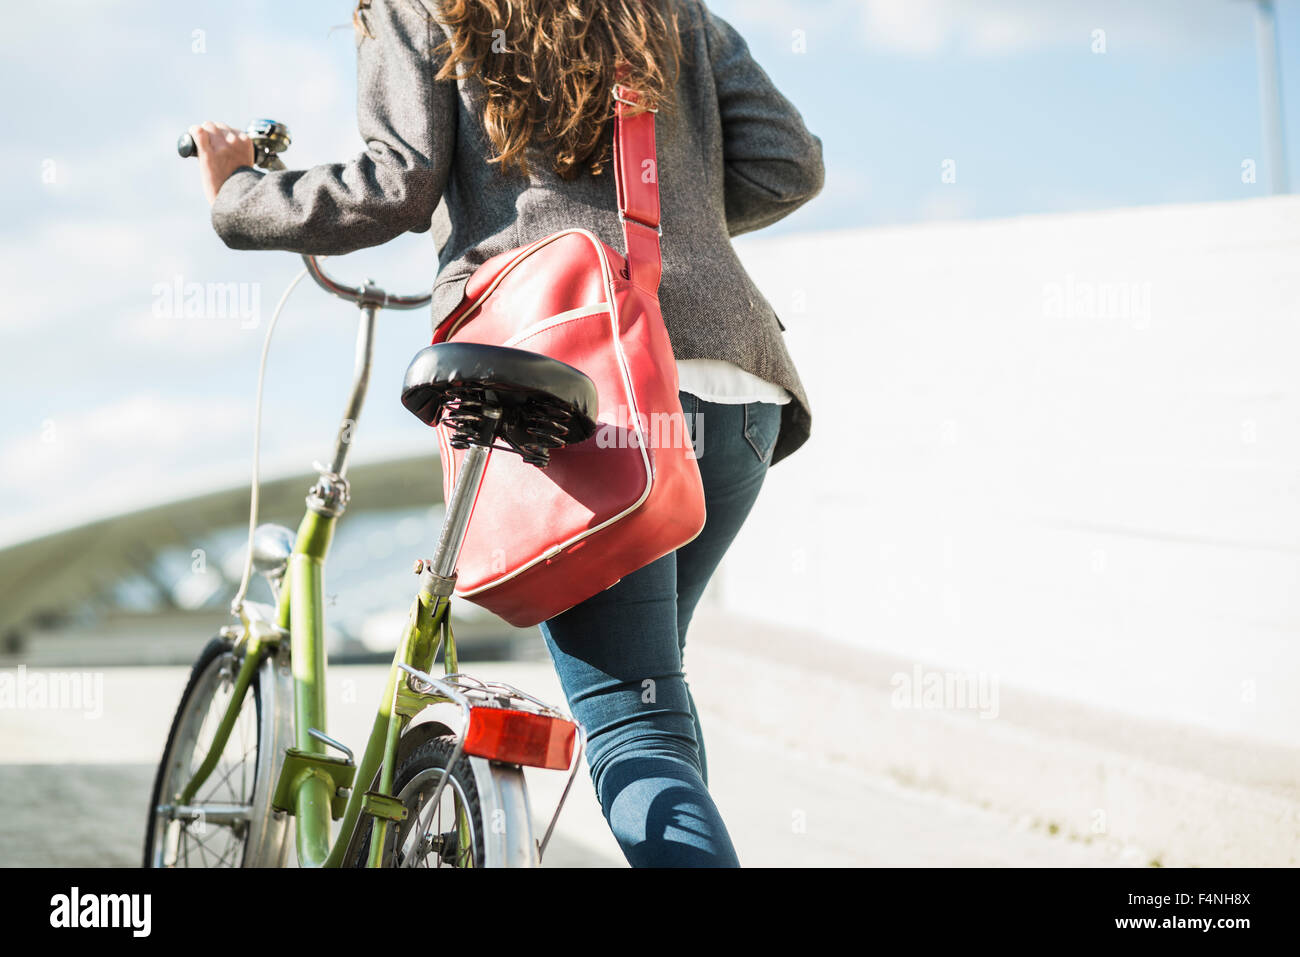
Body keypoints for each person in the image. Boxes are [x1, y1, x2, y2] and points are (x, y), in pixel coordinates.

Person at [190, 0, 823, 867]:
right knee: (649, 701)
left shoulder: (423, 6)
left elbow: (397, 185)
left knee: (631, 721)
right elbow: (789, 164)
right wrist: (671, 226)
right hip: (732, 383)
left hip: (581, 379)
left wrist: (239, 197)